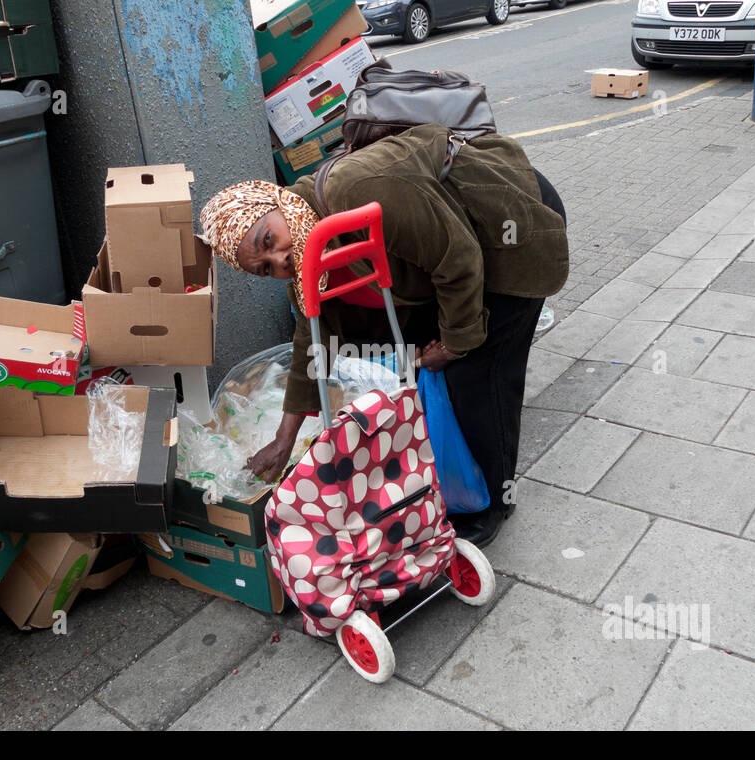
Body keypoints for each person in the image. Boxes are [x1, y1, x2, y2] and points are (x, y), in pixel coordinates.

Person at [199, 123, 568, 546]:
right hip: (455, 251)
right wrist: (284, 440)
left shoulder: (356, 188)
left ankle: (491, 503)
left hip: (506, 220)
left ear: (280, 203)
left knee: (480, 376)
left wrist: (452, 346)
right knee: (438, 373)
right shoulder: (307, 251)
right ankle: (453, 479)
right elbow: (312, 337)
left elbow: (458, 257)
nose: (280, 259)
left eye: (270, 239)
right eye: (265, 266)